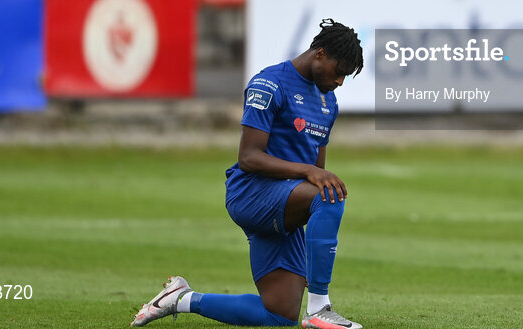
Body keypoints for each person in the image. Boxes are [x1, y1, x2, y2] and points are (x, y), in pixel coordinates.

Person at [131, 19, 365, 329]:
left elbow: (315, 176)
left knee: (279, 316)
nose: (340, 82)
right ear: (320, 53)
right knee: (330, 194)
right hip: (252, 193)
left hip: (284, 205)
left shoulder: (327, 102)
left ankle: (180, 298)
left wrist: (313, 257)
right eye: (339, 72)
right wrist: (310, 173)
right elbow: (249, 157)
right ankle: (320, 307)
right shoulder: (269, 84)